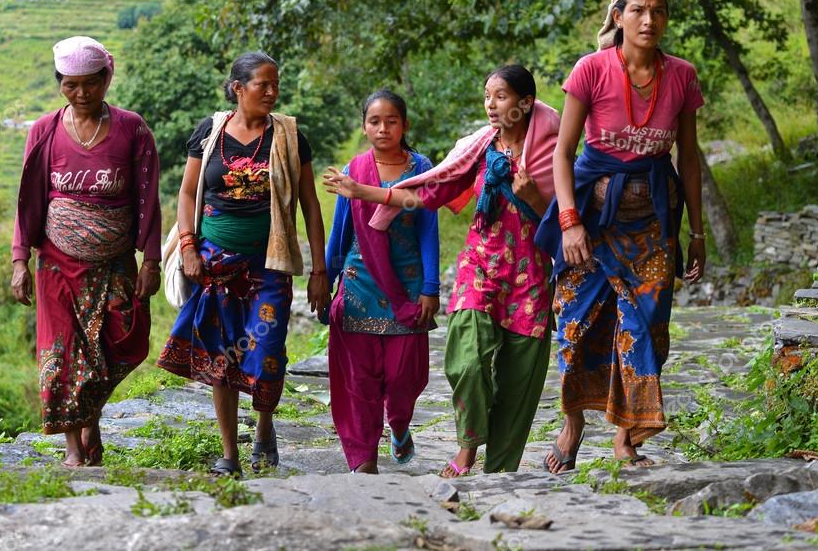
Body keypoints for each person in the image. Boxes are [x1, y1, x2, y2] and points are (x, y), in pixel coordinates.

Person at [324, 65, 561, 478]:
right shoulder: (479, 149)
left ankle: (499, 469)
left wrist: (535, 199)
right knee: (465, 364)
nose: (491, 104)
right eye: (487, 95)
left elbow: (565, 221)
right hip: (481, 266)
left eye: (501, 96)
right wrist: (365, 192)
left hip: (531, 276)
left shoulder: (552, 152)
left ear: (525, 103)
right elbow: (428, 194)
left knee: (518, 380)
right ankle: (468, 447)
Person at [534, 0, 706, 473]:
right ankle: (573, 423)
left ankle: (626, 437)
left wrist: (696, 232)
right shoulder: (590, 70)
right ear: (618, 17)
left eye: (658, 11)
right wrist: (569, 223)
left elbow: (689, 159)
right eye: (638, 10)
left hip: (653, 221)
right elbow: (563, 154)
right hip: (589, 217)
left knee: (648, 326)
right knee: (575, 322)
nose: (649, 19)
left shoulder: (681, 75)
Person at [156, 51, 330, 476]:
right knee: (220, 356)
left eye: (276, 85)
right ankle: (230, 453)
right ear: (238, 88)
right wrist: (188, 246)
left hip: (268, 265)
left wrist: (320, 270)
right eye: (262, 85)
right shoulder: (209, 133)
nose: (272, 92)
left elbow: (310, 204)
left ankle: (265, 423)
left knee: (266, 350)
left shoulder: (288, 135)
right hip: (213, 264)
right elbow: (186, 193)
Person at [11, 36, 161, 467]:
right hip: (57, 265)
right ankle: (73, 447)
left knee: (121, 342)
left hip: (115, 263)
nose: (81, 94)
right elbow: (29, 201)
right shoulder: (44, 131)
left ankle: (89, 414)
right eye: (70, 85)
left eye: (90, 84)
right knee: (62, 354)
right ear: (60, 83)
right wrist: (20, 259)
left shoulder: (132, 129)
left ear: (105, 79)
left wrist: (151, 258)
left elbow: (148, 197)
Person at [323, 89, 440, 474]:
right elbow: (341, 231)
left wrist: (431, 288)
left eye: (391, 121)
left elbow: (427, 228)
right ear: (364, 126)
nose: (383, 128)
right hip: (358, 286)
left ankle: (400, 423)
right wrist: (326, 277)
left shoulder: (421, 168)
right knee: (359, 379)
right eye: (375, 121)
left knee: (405, 376)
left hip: (407, 289)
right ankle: (364, 459)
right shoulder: (354, 170)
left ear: (405, 125)